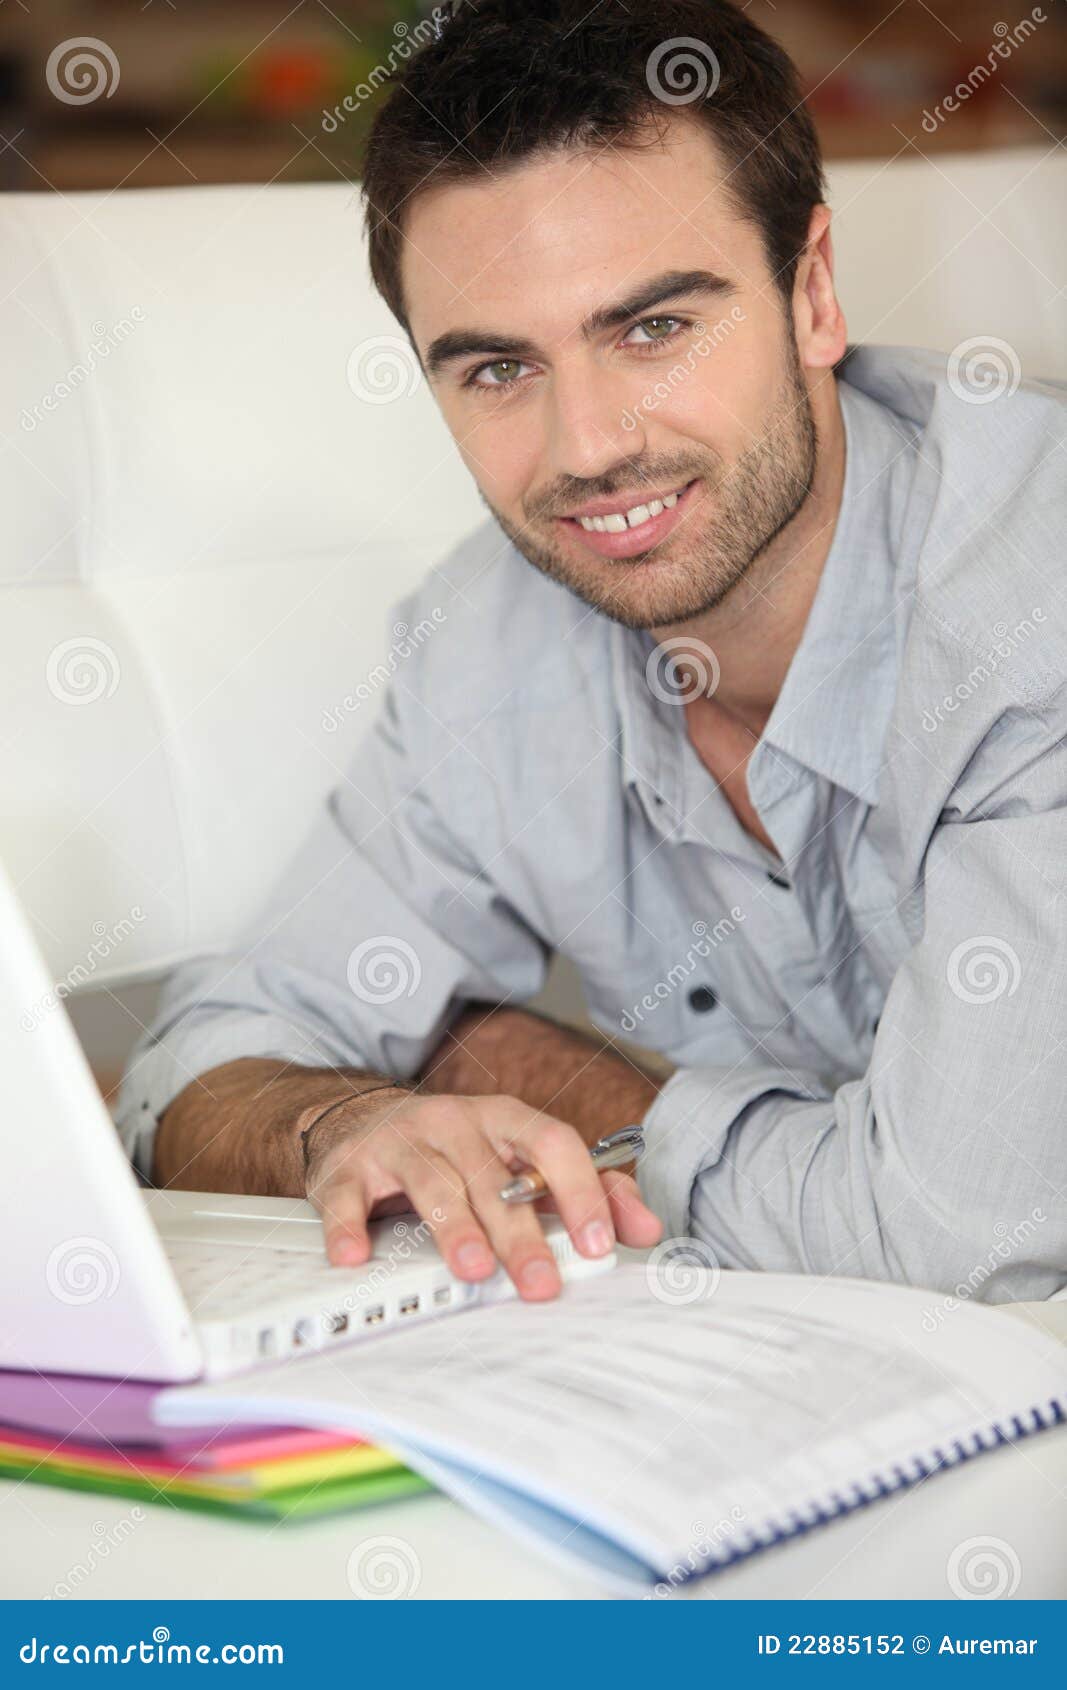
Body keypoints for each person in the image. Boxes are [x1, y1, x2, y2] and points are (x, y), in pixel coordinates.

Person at [116, 0, 1067, 1305]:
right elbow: (194, 1066)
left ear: (813, 293)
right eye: (499, 368)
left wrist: (521, 1071)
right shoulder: (489, 650)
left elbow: (963, 1245)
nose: (586, 447)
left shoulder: (1032, 610)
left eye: (655, 328)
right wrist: (343, 1123)